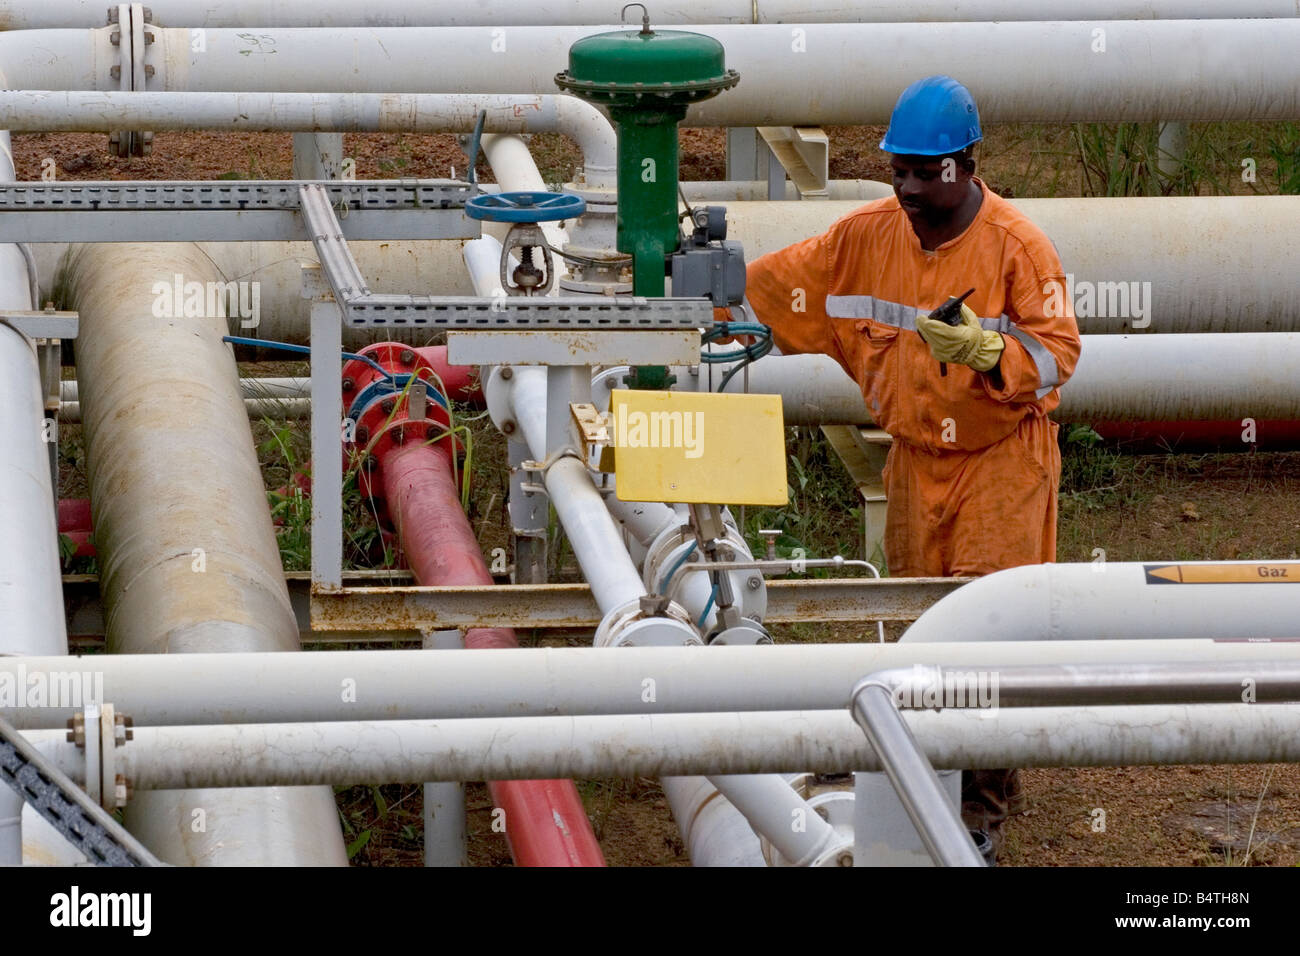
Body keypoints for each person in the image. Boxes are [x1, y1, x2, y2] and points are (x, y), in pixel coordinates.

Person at [735, 75, 1082, 855]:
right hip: (913, 460)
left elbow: (1058, 353)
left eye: (929, 172)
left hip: (999, 462)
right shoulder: (862, 240)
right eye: (900, 170)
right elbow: (768, 292)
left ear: (967, 164)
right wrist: (684, 296)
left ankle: (980, 811)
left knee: (989, 632)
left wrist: (997, 353)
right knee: (927, 634)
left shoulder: (1018, 248)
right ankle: (931, 778)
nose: (911, 187)